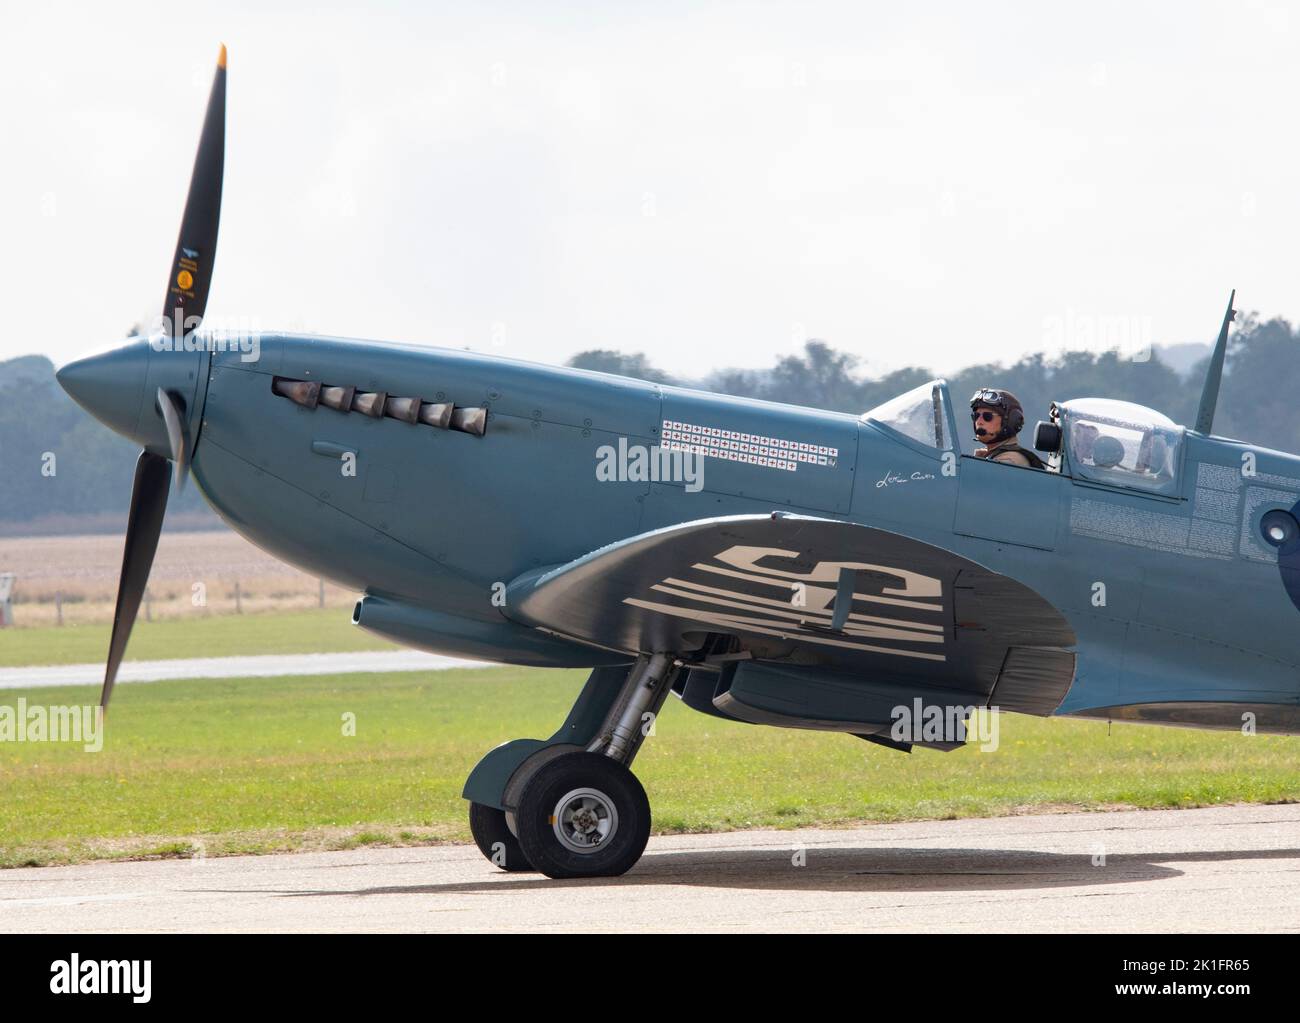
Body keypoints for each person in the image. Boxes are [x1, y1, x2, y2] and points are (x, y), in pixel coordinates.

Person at [969, 388, 1045, 469]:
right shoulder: (991, 457)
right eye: (976, 416)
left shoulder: (1008, 461)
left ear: (1010, 421)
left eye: (987, 416)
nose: (979, 421)